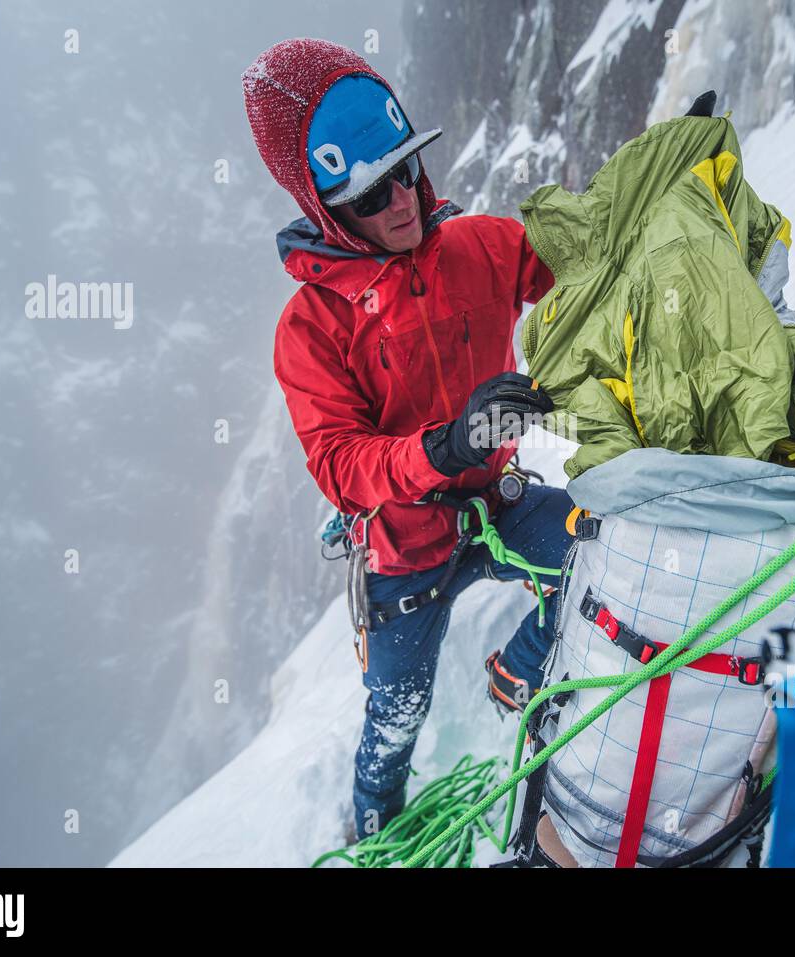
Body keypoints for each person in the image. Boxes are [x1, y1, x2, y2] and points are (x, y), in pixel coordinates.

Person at [242, 37, 572, 840]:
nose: (401, 202)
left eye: (406, 170)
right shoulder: (311, 327)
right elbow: (339, 463)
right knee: (396, 713)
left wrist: (651, 195)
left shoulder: (480, 248)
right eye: (371, 193)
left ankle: (515, 670)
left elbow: (581, 260)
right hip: (403, 549)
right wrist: (447, 446)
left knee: (596, 558)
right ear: (327, 211)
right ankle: (374, 826)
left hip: (495, 499)